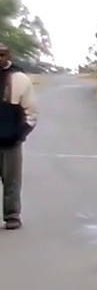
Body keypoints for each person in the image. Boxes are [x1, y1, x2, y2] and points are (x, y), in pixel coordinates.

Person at [0, 43, 38, 230]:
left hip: (10, 140)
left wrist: (19, 135)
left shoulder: (20, 79)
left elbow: (31, 113)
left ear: (8, 56)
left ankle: (12, 216)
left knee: (12, 181)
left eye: (2, 54)